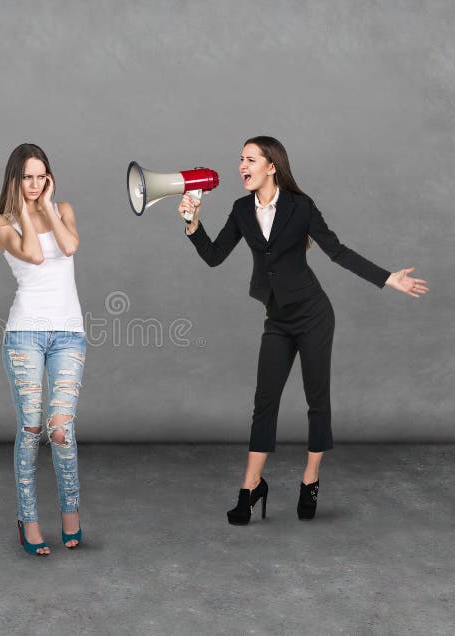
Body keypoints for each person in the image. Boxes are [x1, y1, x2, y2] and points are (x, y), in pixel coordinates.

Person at [180, 136, 428, 525]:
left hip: (313, 314)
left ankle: (310, 480)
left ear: (271, 166)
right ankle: (249, 489)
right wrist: (193, 223)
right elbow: (214, 256)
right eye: (240, 159)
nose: (242, 165)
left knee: (317, 400)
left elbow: (338, 251)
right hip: (277, 318)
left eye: (250, 159)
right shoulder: (242, 210)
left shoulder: (301, 206)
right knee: (264, 403)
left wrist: (387, 279)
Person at [0, 143, 86, 555]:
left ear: (49, 177)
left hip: (69, 334)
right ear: (14, 179)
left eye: (40, 175)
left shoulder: (63, 210)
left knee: (60, 431)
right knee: (30, 429)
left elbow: (68, 248)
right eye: (26, 177)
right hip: (24, 334)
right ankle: (28, 519)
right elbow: (32, 254)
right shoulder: (1, 221)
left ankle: (71, 514)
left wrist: (46, 204)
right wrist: (27, 210)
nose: (34, 183)